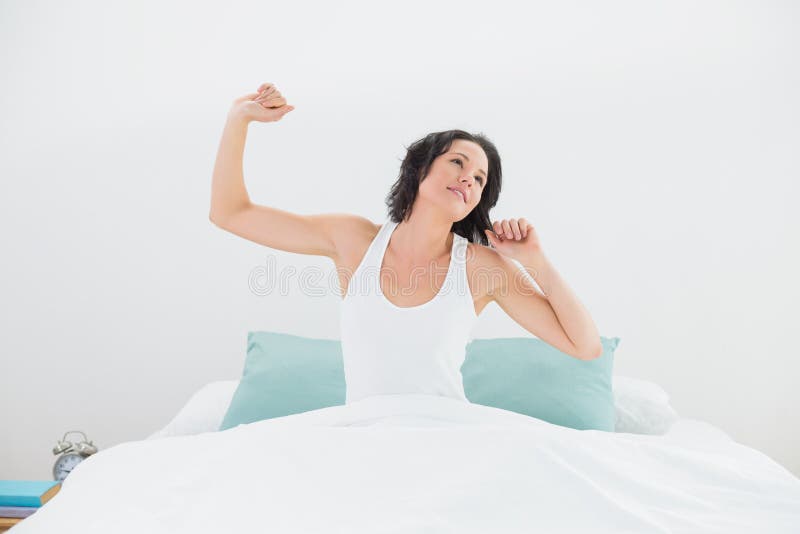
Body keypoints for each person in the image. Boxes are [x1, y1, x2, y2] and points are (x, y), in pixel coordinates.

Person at [209, 81, 604, 404]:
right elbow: (230, 213)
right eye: (457, 162)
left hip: (446, 439)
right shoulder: (352, 240)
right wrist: (238, 120)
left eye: (480, 179)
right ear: (419, 169)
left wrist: (535, 262)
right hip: (365, 440)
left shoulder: (483, 268)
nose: (469, 178)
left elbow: (585, 347)